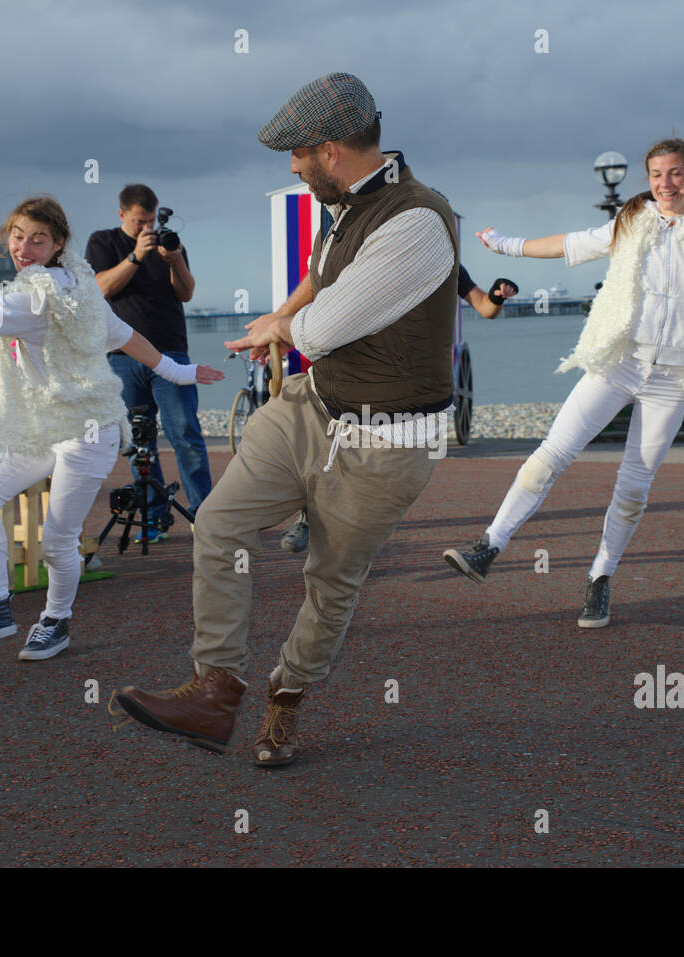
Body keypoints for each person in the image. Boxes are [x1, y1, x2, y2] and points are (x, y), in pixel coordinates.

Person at [113, 72, 458, 767]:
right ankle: (216, 689)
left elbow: (324, 326)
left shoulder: (419, 221)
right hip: (311, 405)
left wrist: (293, 325)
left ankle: (285, 699)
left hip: (389, 442)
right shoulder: (345, 206)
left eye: (296, 156)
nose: (293, 168)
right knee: (218, 521)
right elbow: (320, 284)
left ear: (329, 150)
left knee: (329, 585)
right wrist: (277, 315)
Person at [443, 138, 684, 628]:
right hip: (619, 363)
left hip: (673, 380)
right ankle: (488, 546)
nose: (664, 184)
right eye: (655, 175)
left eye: (673, 173)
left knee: (633, 489)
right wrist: (505, 245)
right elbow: (569, 244)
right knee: (549, 456)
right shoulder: (631, 222)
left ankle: (600, 579)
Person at [0, 196, 222, 660]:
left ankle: (55, 621)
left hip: (89, 430)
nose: (23, 248)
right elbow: (126, 337)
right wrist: (179, 371)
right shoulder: (80, 287)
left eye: (37, 239)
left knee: (57, 541)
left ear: (58, 244)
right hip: (44, 425)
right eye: (17, 236)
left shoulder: (35, 295)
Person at [276, 266, 515, 555]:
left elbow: (484, 307)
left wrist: (497, 294)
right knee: (321, 439)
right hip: (364, 366)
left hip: (409, 383)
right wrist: (280, 323)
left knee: (374, 464)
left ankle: (346, 528)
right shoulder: (384, 254)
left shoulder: (447, 263)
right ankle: (307, 518)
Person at [86, 185, 210, 542]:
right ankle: (155, 517)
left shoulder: (168, 242)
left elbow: (186, 292)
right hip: (122, 356)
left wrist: (175, 261)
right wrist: (136, 257)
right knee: (139, 442)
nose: (146, 228)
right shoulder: (102, 242)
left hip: (171, 351)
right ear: (122, 214)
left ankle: (205, 515)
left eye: (151, 221)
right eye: (139, 221)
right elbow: (100, 288)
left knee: (185, 433)